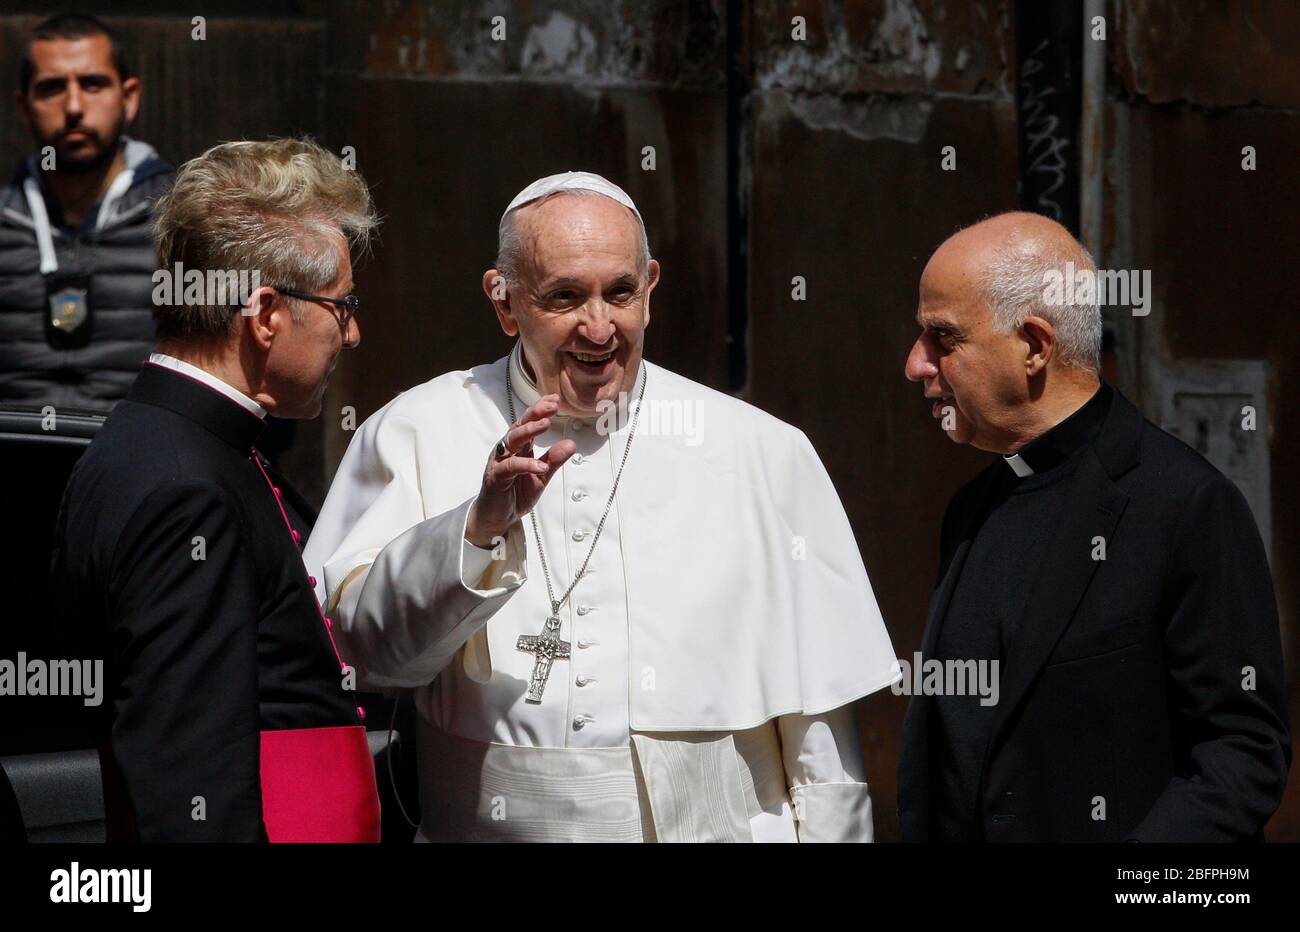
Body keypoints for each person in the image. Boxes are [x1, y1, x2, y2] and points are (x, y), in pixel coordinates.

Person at [304, 171, 900, 842]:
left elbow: (823, 743)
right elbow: (369, 655)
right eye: (564, 296)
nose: (599, 326)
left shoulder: (763, 451)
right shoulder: (417, 428)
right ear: (505, 304)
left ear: (650, 288)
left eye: (620, 292)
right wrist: (478, 532)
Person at [898, 211, 1290, 841]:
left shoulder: (1184, 505)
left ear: (1033, 344)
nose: (917, 364)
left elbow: (1241, 753)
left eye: (943, 339)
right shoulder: (972, 508)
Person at [53, 137, 382, 842]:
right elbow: (187, 788)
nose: (350, 334)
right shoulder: (186, 488)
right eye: (341, 306)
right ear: (267, 315)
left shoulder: (175, 445)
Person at [0, 13, 172, 411]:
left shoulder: (183, 223)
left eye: (92, 84)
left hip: (139, 467)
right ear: (24, 108)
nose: (74, 106)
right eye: (52, 88)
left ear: (129, 98)